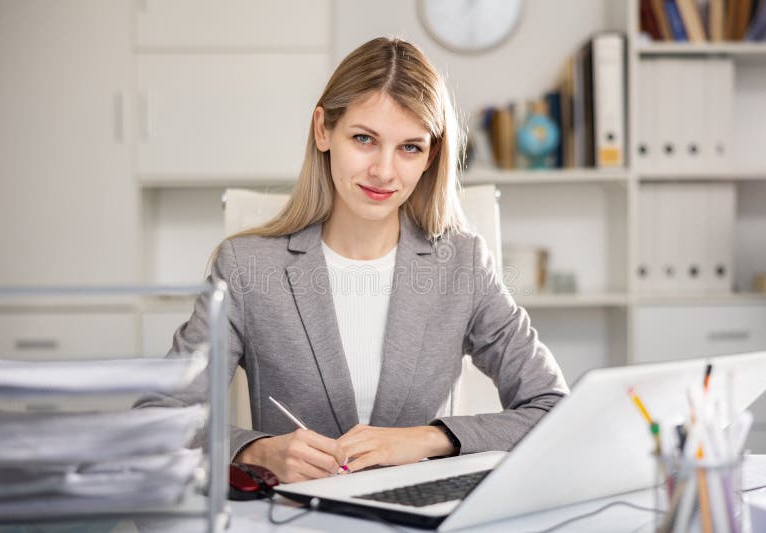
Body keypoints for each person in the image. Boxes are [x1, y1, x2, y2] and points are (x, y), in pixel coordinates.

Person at [138, 37, 568, 483]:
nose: (384, 171)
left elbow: (554, 408)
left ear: (431, 155)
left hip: (418, 513)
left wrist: (429, 438)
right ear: (323, 130)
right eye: (364, 139)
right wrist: (258, 451)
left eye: (410, 148)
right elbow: (156, 420)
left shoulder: (461, 264)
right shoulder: (248, 267)